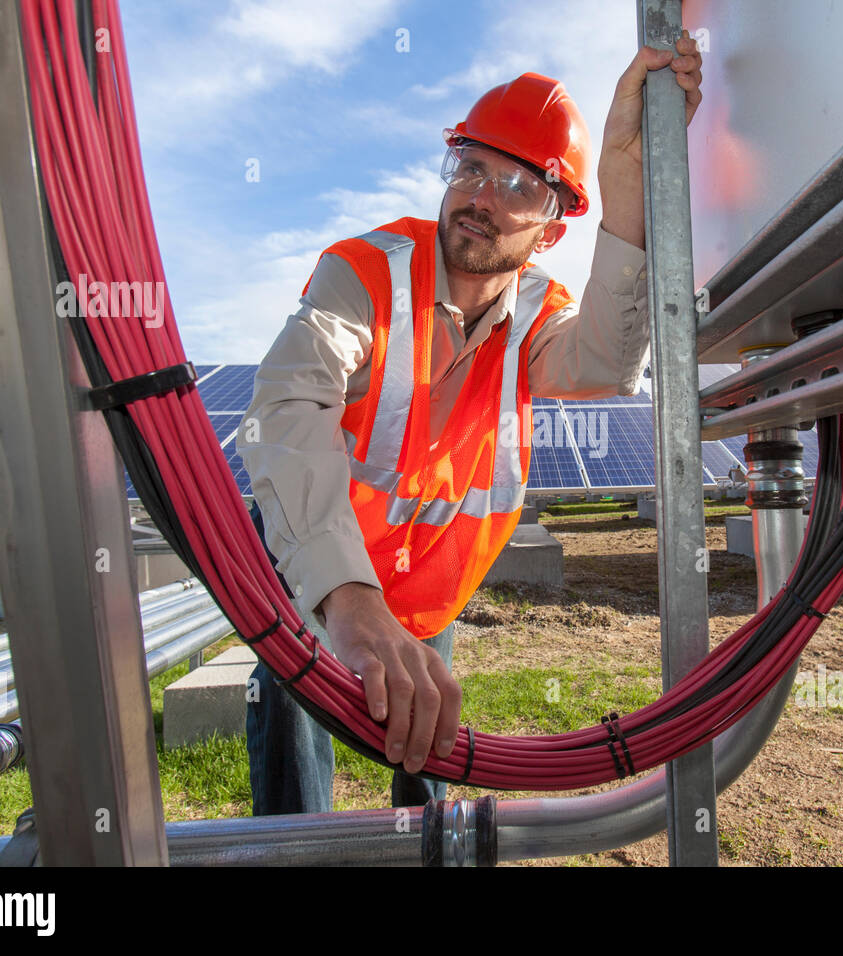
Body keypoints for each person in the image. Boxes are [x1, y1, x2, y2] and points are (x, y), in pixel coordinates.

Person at [239, 34, 704, 814]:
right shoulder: (365, 272)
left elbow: (604, 364)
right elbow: (287, 407)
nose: (481, 197)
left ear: (552, 229)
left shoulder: (535, 316)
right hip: (318, 571)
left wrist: (626, 171)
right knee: (291, 721)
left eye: (518, 184)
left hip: (425, 591)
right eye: (472, 168)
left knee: (427, 750)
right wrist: (348, 603)